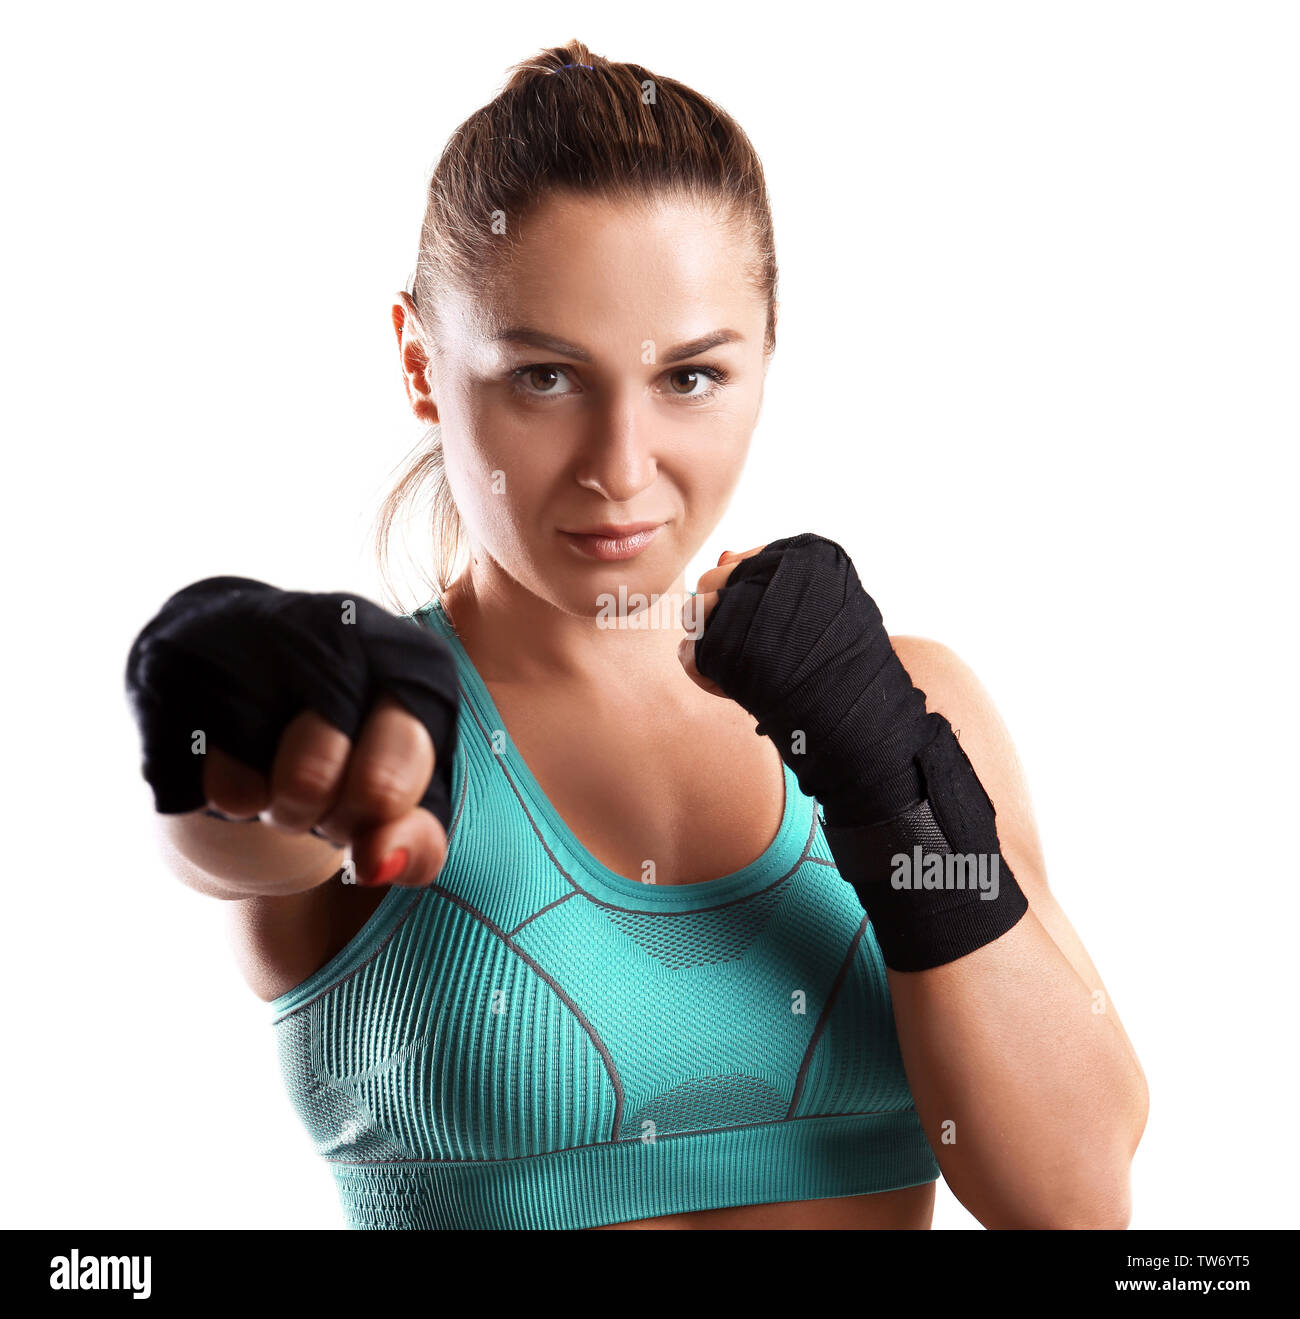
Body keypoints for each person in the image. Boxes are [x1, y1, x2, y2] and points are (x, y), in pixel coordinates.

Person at [130, 40, 1148, 1230]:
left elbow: (1074, 1203)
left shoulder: (912, 704)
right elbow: (241, 830)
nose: (621, 467)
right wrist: (224, 702)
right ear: (420, 362)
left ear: (766, 352)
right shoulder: (385, 728)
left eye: (690, 377)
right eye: (546, 378)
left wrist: (887, 782)